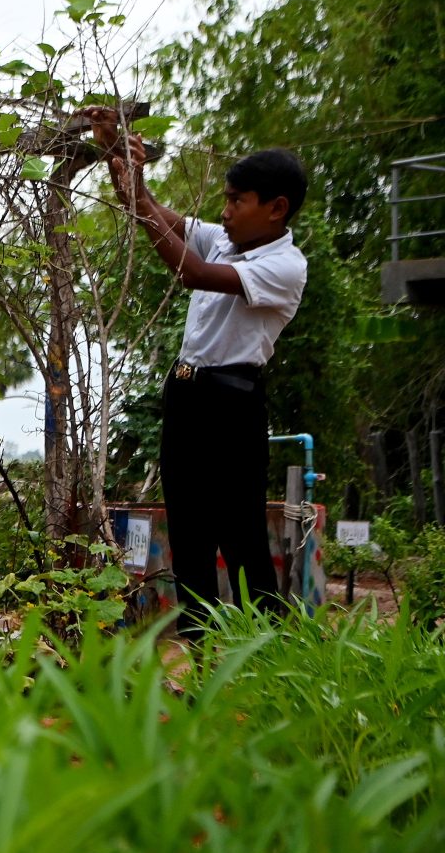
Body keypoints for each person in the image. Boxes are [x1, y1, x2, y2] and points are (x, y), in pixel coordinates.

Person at [88, 107, 309, 633]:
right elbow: (153, 213)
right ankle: (203, 660)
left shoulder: (284, 265)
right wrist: (120, 159)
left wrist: (140, 199)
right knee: (190, 538)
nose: (225, 210)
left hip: (232, 403)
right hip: (187, 394)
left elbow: (190, 272)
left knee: (241, 539)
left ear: (276, 209)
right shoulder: (227, 239)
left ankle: (267, 657)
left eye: (237, 200)